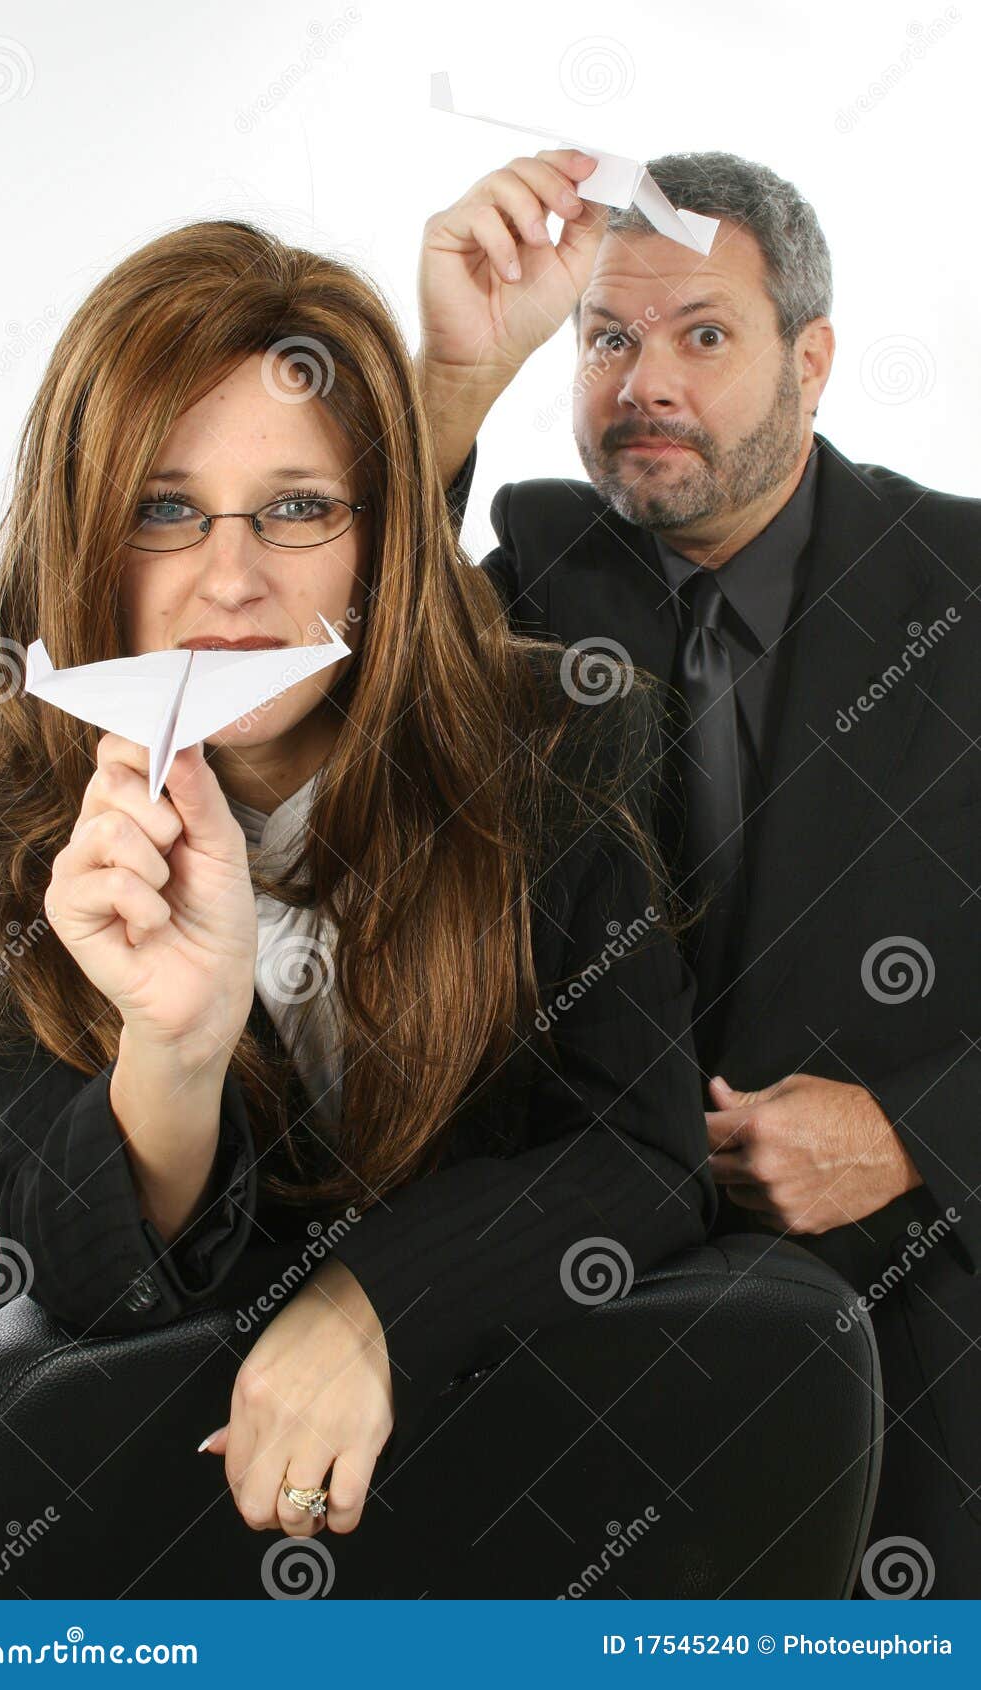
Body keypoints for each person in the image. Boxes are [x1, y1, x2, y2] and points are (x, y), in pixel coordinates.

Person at [0, 217, 716, 1545]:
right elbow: (68, 1274)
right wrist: (174, 1053)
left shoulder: (562, 740)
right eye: (164, 509)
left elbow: (643, 1154)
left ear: (378, 540)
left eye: (296, 508)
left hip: (524, 1484)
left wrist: (367, 1303)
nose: (231, 582)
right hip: (185, 1522)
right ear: (87, 537)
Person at [414, 146, 981, 1595]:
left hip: (926, 1378)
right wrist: (451, 378)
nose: (641, 383)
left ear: (815, 357)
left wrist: (915, 1134)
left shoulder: (962, 594)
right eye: (608, 337)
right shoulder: (536, 568)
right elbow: (329, 685)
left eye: (702, 337)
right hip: (578, 1375)